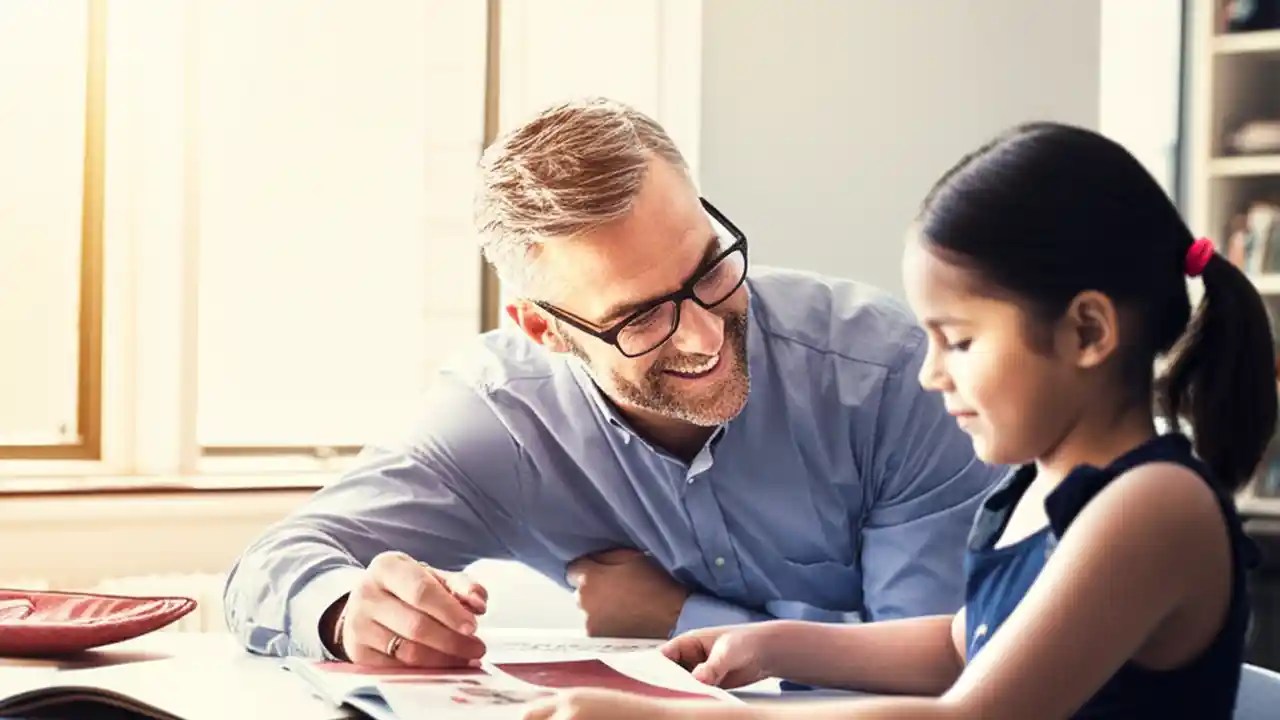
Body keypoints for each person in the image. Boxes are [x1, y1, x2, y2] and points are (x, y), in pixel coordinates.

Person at [520, 122, 1275, 720]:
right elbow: (963, 642)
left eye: (962, 340)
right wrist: (777, 644)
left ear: (1087, 332)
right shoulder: (1040, 487)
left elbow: (975, 715)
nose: (929, 372)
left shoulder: (1150, 507)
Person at [221, 98, 1004, 667]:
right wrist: (343, 610)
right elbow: (274, 564)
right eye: (638, 317)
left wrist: (677, 617)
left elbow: (941, 659)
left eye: (709, 267)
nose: (702, 333)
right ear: (544, 329)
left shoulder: (895, 376)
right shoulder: (501, 420)